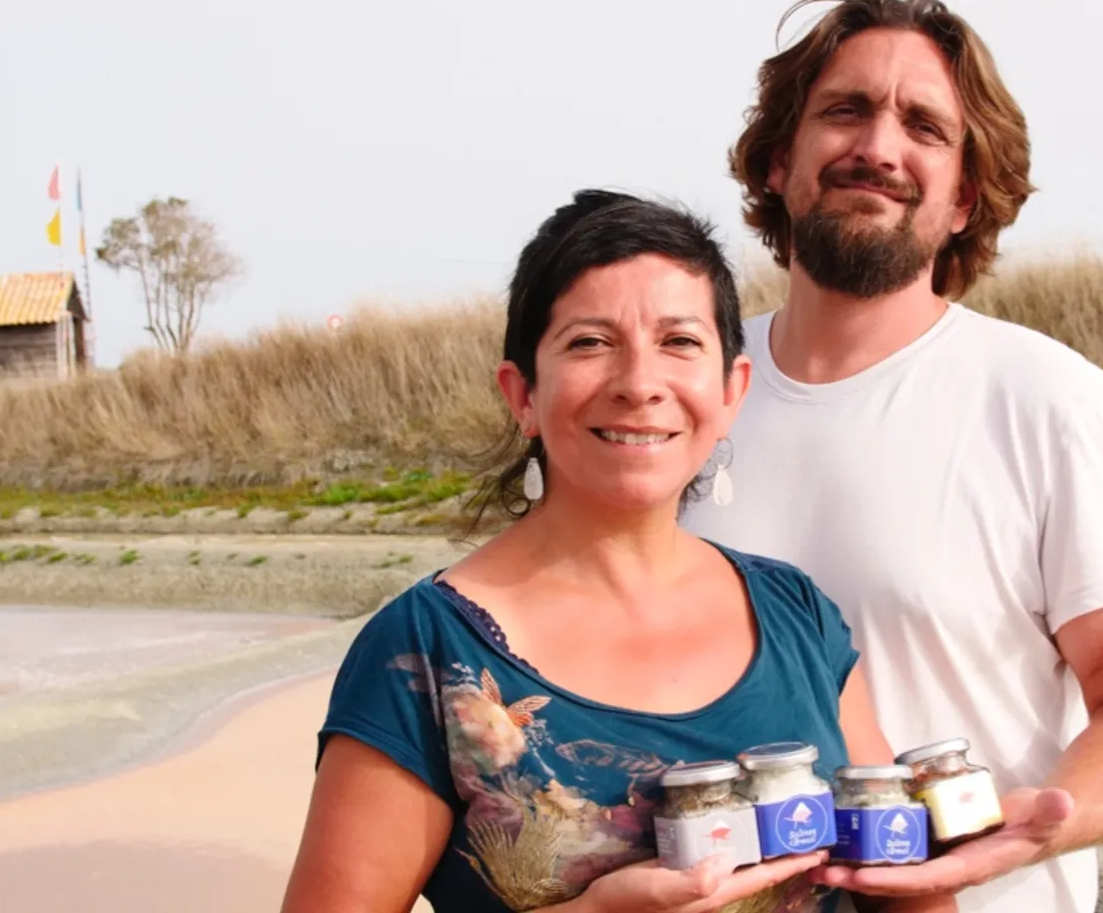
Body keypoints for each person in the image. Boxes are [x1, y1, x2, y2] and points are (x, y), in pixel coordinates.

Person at [280, 190, 955, 913]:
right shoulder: (425, 650)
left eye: (680, 342)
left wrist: (966, 854)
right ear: (523, 395)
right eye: (589, 342)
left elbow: (900, 891)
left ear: (732, 390)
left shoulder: (796, 616)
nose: (639, 384)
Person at [681, 0, 1103, 913]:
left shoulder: (1047, 401)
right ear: (779, 159)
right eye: (845, 110)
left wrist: (1037, 824)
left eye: (924, 125)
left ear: (965, 194)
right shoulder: (687, 397)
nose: (878, 148)